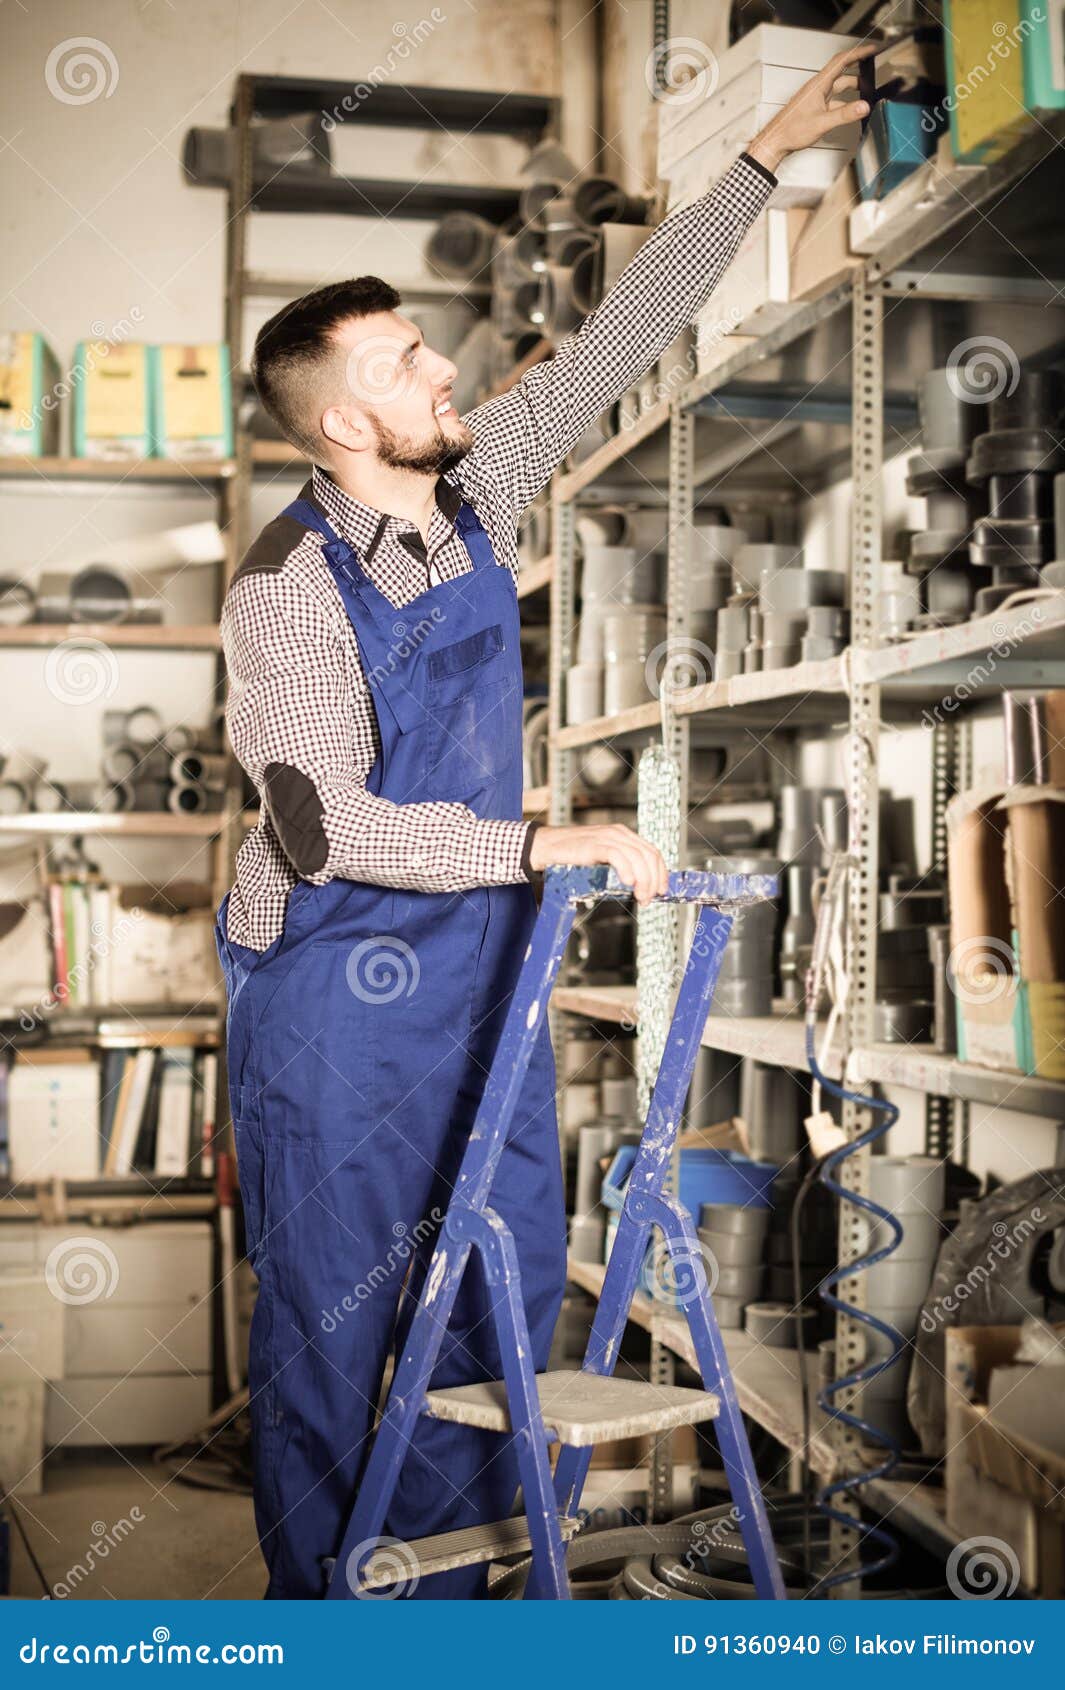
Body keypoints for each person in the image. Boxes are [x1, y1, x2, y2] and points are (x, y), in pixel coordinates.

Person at [216, 45, 875, 1600]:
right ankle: (327, 1618)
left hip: (477, 973)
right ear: (335, 429)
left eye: (423, 347)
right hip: (333, 995)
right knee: (331, 1323)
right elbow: (323, 829)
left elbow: (621, 332)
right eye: (398, 363)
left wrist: (769, 152)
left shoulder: (470, 491)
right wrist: (536, 842)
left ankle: (444, 1605)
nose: (441, 369)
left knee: (483, 1295)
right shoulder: (285, 592)